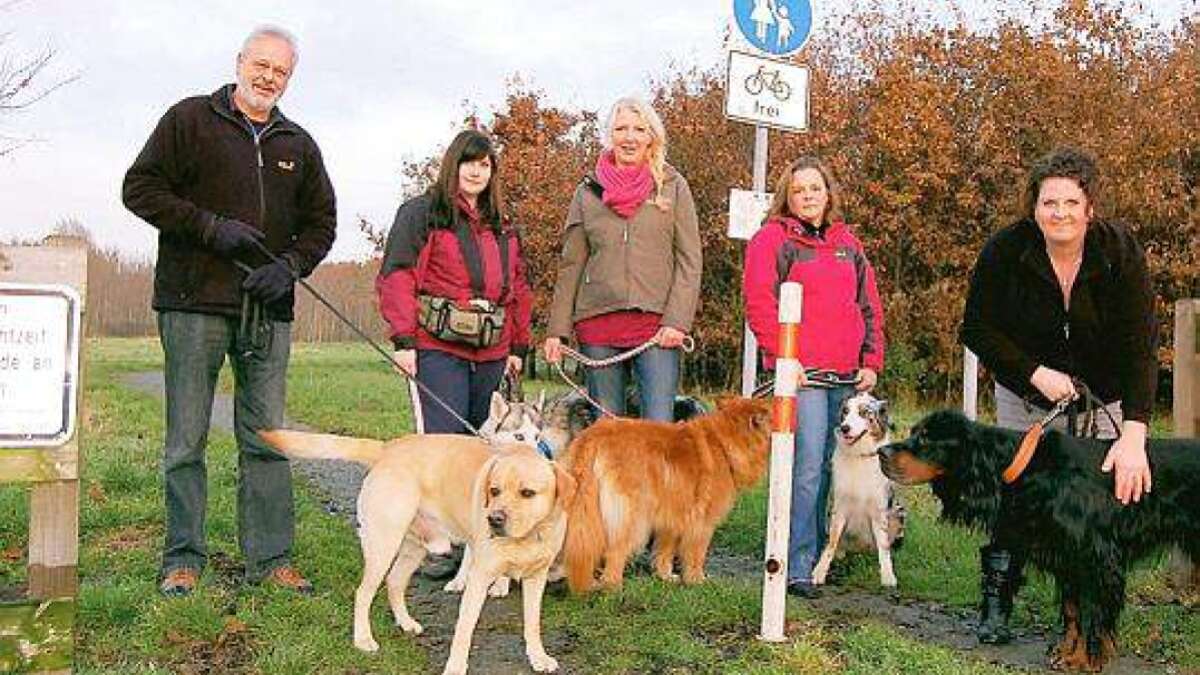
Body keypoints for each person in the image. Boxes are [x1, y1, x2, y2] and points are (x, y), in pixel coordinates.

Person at [122, 25, 336, 597]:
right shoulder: (189, 120)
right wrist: (211, 228)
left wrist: (287, 268)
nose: (268, 77)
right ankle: (182, 559)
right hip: (193, 305)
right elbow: (138, 189)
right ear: (240, 61)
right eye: (261, 64)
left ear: (290, 77)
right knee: (185, 441)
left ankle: (271, 560)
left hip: (268, 311)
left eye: (281, 71)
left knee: (266, 439)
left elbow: (323, 225)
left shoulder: (299, 144)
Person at [960, 146, 1158, 643]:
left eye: (1072, 203)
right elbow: (976, 328)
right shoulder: (1006, 251)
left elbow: (1142, 347)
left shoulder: (1120, 252)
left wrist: (1134, 433)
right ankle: (996, 604)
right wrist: (1033, 372)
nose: (1061, 213)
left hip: (1101, 404)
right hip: (1026, 401)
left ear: (1090, 208)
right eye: (1050, 203)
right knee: (1018, 498)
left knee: (1087, 511)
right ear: (1034, 207)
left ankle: (1083, 616)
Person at [743, 156, 884, 598]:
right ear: (787, 194)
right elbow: (759, 302)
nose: (808, 196)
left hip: (846, 377)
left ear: (828, 194)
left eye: (815, 188)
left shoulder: (850, 245)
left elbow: (869, 306)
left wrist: (871, 359)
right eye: (799, 189)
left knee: (830, 468)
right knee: (804, 468)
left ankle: (824, 554)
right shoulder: (771, 240)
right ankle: (795, 562)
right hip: (801, 376)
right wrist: (784, 357)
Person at [543, 96, 702, 422]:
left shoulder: (673, 186)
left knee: (658, 430)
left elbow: (689, 259)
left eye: (638, 129)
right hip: (598, 324)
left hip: (656, 328)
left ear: (651, 137)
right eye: (621, 129)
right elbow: (571, 264)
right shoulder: (587, 191)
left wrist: (677, 321)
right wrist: (557, 330)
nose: (629, 137)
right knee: (608, 435)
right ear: (610, 136)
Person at [377, 129, 531, 436]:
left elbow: (519, 289)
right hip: (438, 350)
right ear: (453, 165)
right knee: (444, 444)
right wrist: (404, 341)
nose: (476, 171)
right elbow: (398, 275)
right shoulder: (421, 213)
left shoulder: (504, 226)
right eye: (468, 162)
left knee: (484, 443)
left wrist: (518, 347)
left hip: (492, 354)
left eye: (484, 165)